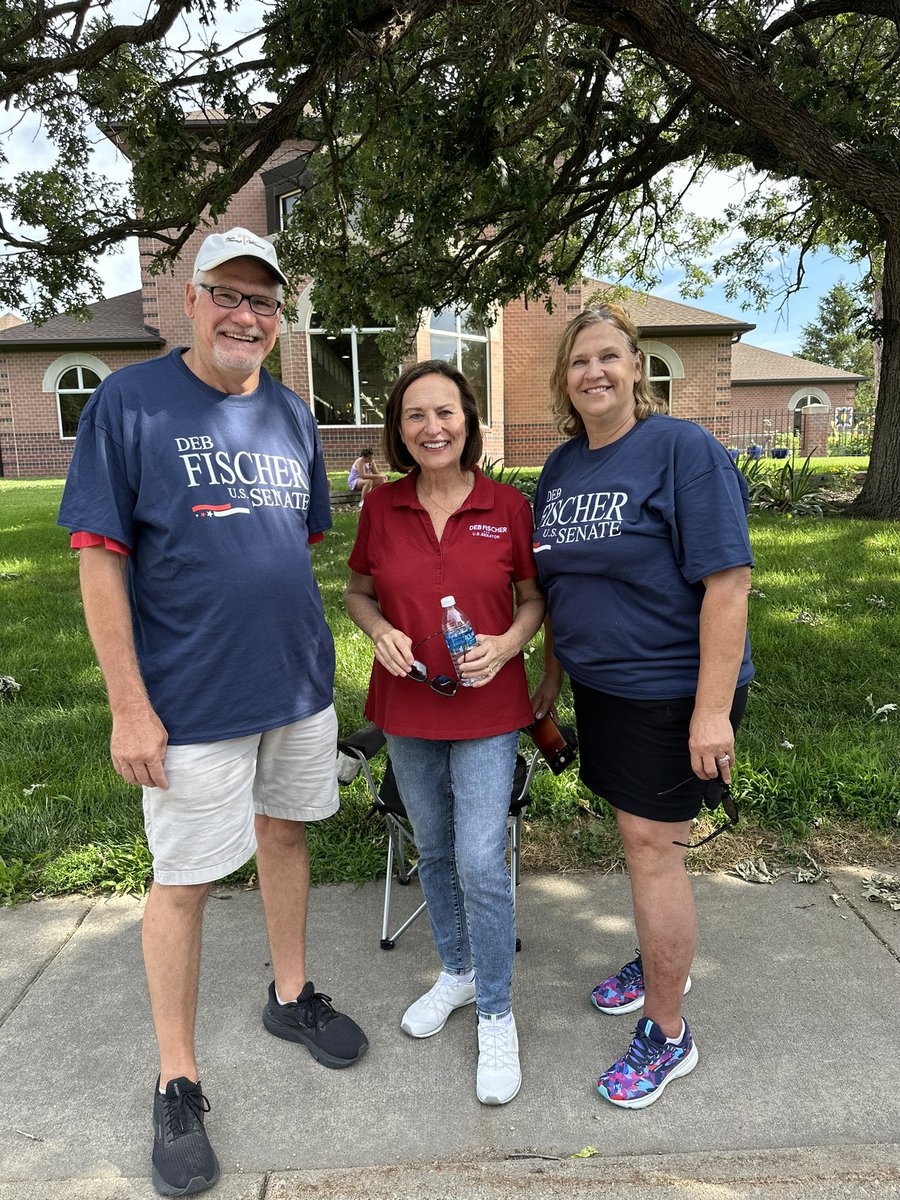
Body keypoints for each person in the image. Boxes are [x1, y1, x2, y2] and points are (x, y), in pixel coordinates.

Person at [58, 227, 367, 1197]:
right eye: (228, 295)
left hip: (294, 685)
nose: (246, 315)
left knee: (285, 836)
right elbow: (100, 558)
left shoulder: (292, 414)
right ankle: (178, 1076)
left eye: (265, 303)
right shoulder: (129, 402)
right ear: (189, 301)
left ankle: (288, 994)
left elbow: (298, 540)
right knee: (183, 880)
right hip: (187, 701)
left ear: (281, 321)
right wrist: (128, 707)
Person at [531, 303, 754, 1110]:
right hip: (603, 689)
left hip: (671, 691)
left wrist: (712, 710)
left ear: (637, 369)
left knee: (651, 848)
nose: (593, 372)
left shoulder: (681, 451)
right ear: (564, 379)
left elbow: (727, 583)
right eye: (578, 361)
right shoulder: (560, 469)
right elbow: (560, 582)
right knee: (641, 841)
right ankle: (661, 958)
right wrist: (553, 675)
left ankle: (670, 1031)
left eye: (608, 357)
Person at [344, 360, 545, 1106]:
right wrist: (379, 630)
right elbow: (358, 590)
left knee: (479, 859)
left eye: (446, 413)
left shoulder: (507, 506)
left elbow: (533, 600)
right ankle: (457, 972)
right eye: (415, 416)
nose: (432, 427)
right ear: (399, 431)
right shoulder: (382, 507)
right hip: (407, 705)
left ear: (468, 421)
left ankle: (496, 1009)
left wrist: (508, 644)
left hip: (489, 708)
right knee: (431, 847)